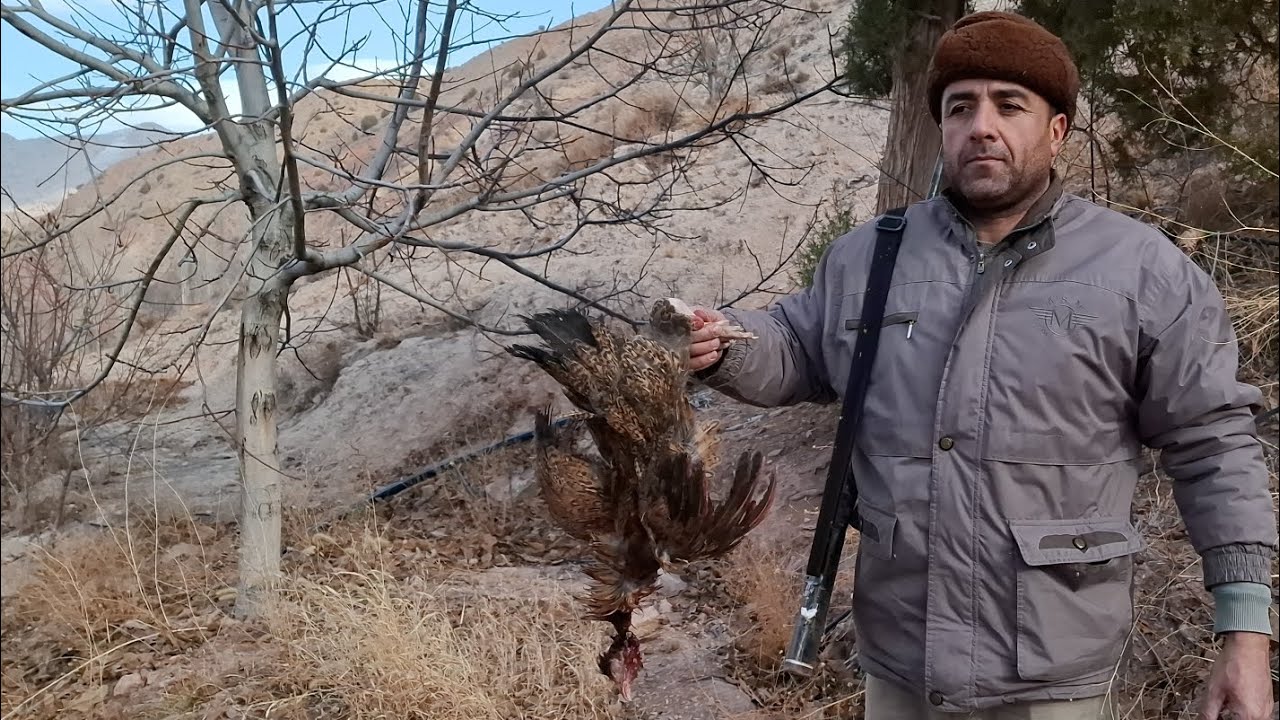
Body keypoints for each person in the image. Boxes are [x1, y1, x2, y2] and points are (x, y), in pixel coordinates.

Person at [683, 11, 1277, 720]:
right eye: (960, 106)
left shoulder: (1144, 271)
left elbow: (1214, 448)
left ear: (1057, 130)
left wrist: (1245, 633)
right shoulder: (871, 255)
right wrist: (723, 340)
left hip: (1054, 676)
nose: (981, 125)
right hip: (901, 663)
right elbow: (794, 347)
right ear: (941, 126)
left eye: (1009, 104)